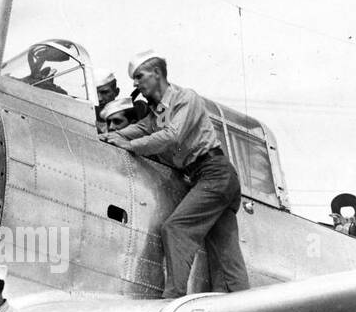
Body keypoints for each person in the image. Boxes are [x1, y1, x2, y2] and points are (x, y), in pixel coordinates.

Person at [103, 53, 250, 298]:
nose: (136, 84)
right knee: (226, 256)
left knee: (175, 228)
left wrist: (132, 146)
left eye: (139, 77)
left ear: (157, 74)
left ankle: (173, 298)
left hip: (214, 173)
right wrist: (110, 138)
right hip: (209, 178)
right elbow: (137, 129)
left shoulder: (186, 99)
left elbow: (172, 135)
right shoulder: (156, 113)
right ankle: (246, 310)